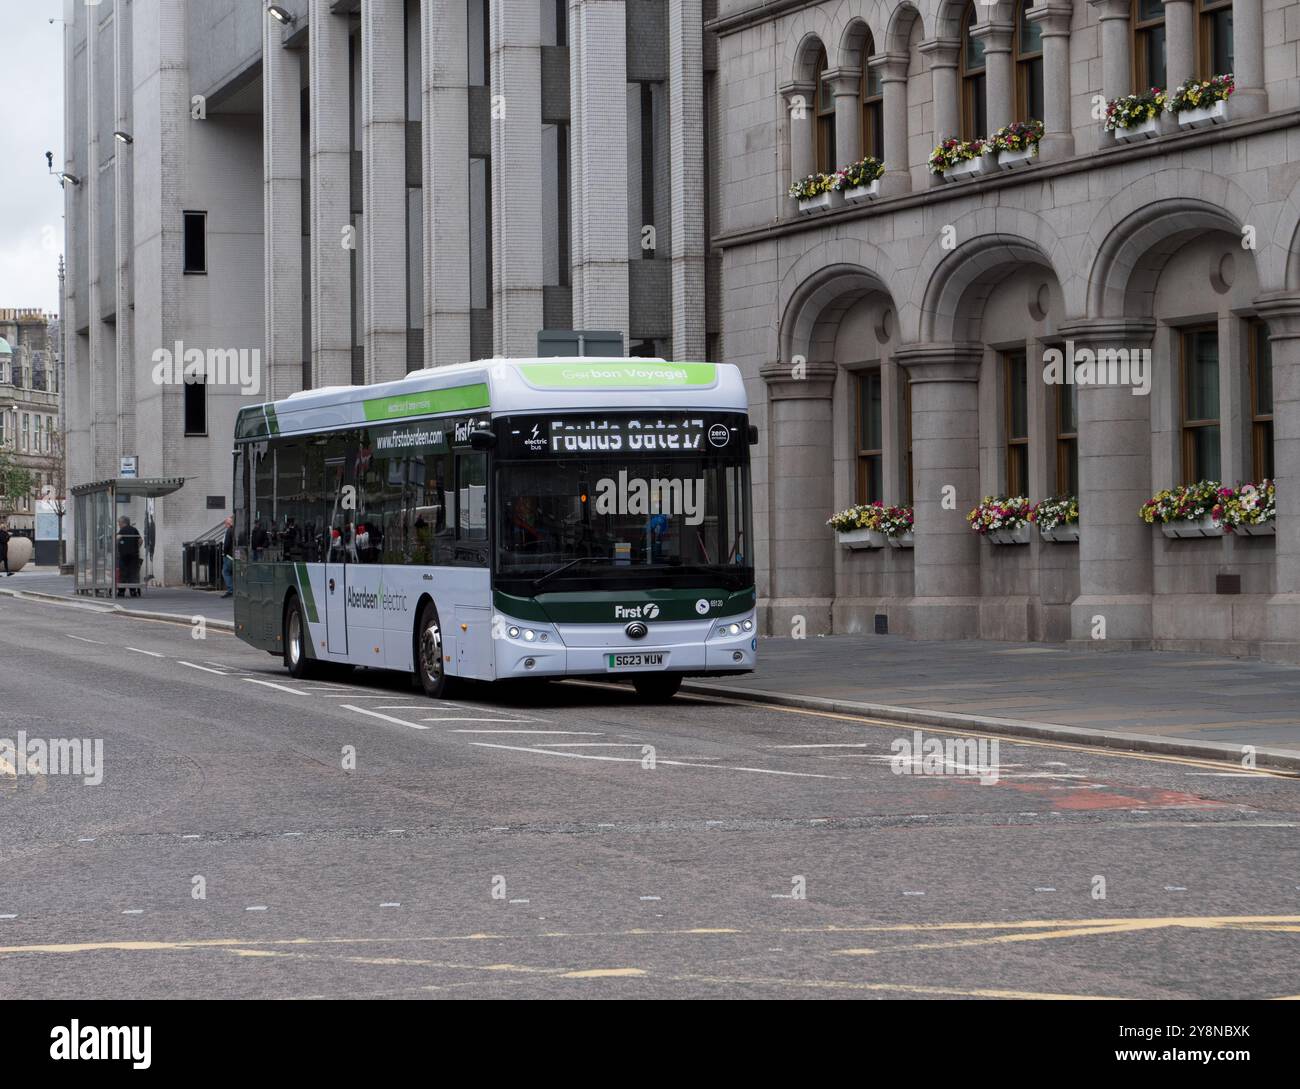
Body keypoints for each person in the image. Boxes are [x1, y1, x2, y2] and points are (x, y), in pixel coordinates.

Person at [116, 516, 143, 597]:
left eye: (119, 523)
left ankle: (121, 591)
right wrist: (137, 548)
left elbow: (117, 539)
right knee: (133, 573)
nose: (118, 525)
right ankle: (133, 591)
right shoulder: (134, 530)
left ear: (123, 522)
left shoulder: (122, 530)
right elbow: (140, 540)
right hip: (134, 555)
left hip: (123, 556)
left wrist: (118, 546)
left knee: (123, 573)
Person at [221, 515, 234, 597]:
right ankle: (232, 589)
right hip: (233, 555)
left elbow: (226, 544)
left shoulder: (229, 531)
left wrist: (224, 553)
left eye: (225, 523)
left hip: (228, 556)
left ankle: (230, 590)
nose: (225, 525)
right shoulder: (234, 530)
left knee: (225, 572)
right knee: (231, 572)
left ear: (228, 523)